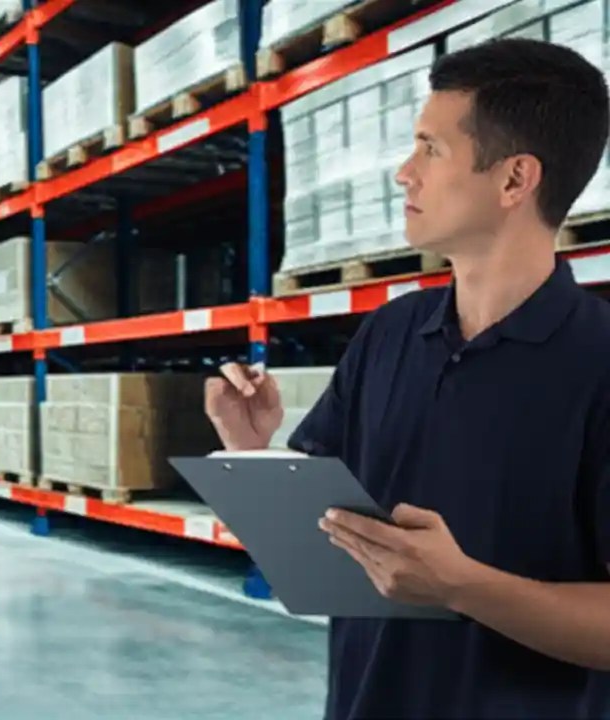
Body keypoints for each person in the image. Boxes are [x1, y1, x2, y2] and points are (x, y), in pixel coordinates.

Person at [204, 38, 610, 719]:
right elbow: (331, 554)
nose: (403, 172)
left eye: (430, 148)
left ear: (515, 180)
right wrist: (252, 454)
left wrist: (464, 587)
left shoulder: (597, 363)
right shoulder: (391, 333)